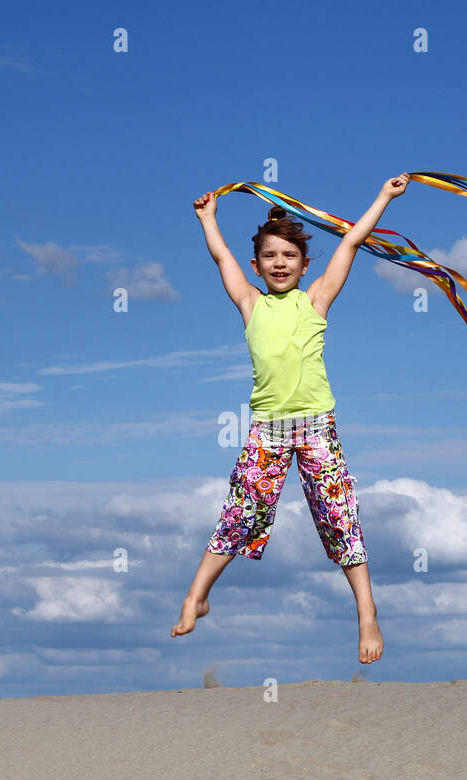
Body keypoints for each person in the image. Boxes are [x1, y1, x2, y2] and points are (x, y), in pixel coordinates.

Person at [171, 174, 410, 664]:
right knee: (241, 511)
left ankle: (367, 612)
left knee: (339, 516)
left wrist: (383, 195)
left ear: (304, 264)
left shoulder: (315, 300)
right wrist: (207, 218)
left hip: (317, 426)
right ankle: (196, 595)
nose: (280, 264)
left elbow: (352, 242)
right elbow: (221, 257)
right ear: (257, 266)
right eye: (270, 257)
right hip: (268, 430)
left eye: (290, 256)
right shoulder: (250, 303)